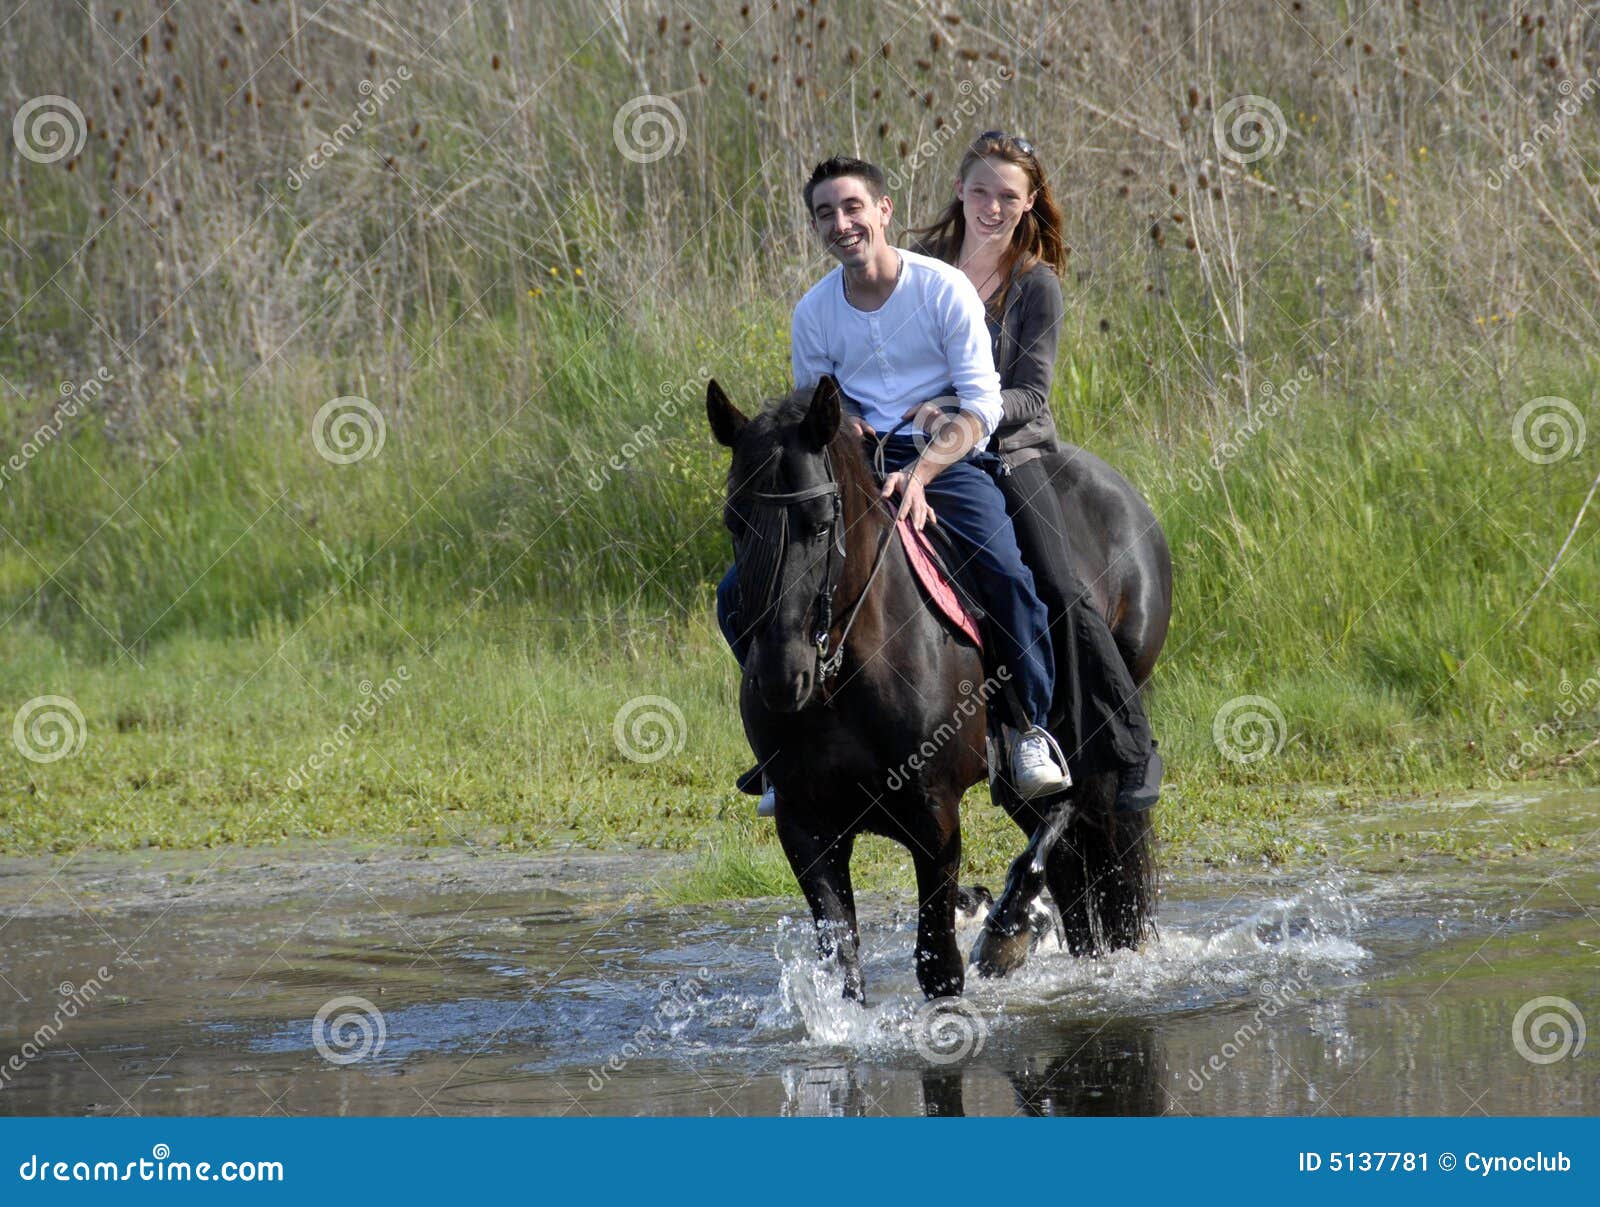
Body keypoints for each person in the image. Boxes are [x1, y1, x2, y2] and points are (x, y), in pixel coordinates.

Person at [717, 155, 1072, 815]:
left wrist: (923, 472)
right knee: (738, 592)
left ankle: (1028, 728)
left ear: (882, 210)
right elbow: (819, 412)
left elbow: (982, 405)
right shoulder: (814, 311)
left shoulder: (942, 289)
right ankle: (779, 747)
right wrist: (860, 462)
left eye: (852, 207)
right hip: (851, 463)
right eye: (825, 213)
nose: (841, 223)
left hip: (947, 454)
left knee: (1006, 571)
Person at [910, 132, 1161, 811]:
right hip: (916, 444)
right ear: (961, 190)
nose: (992, 207)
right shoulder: (921, 268)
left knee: (1055, 580)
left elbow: (1031, 395)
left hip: (1011, 449)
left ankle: (1132, 741)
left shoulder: (1034, 284)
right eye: (982, 191)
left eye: (1009, 197)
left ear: (1028, 207)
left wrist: (961, 419)